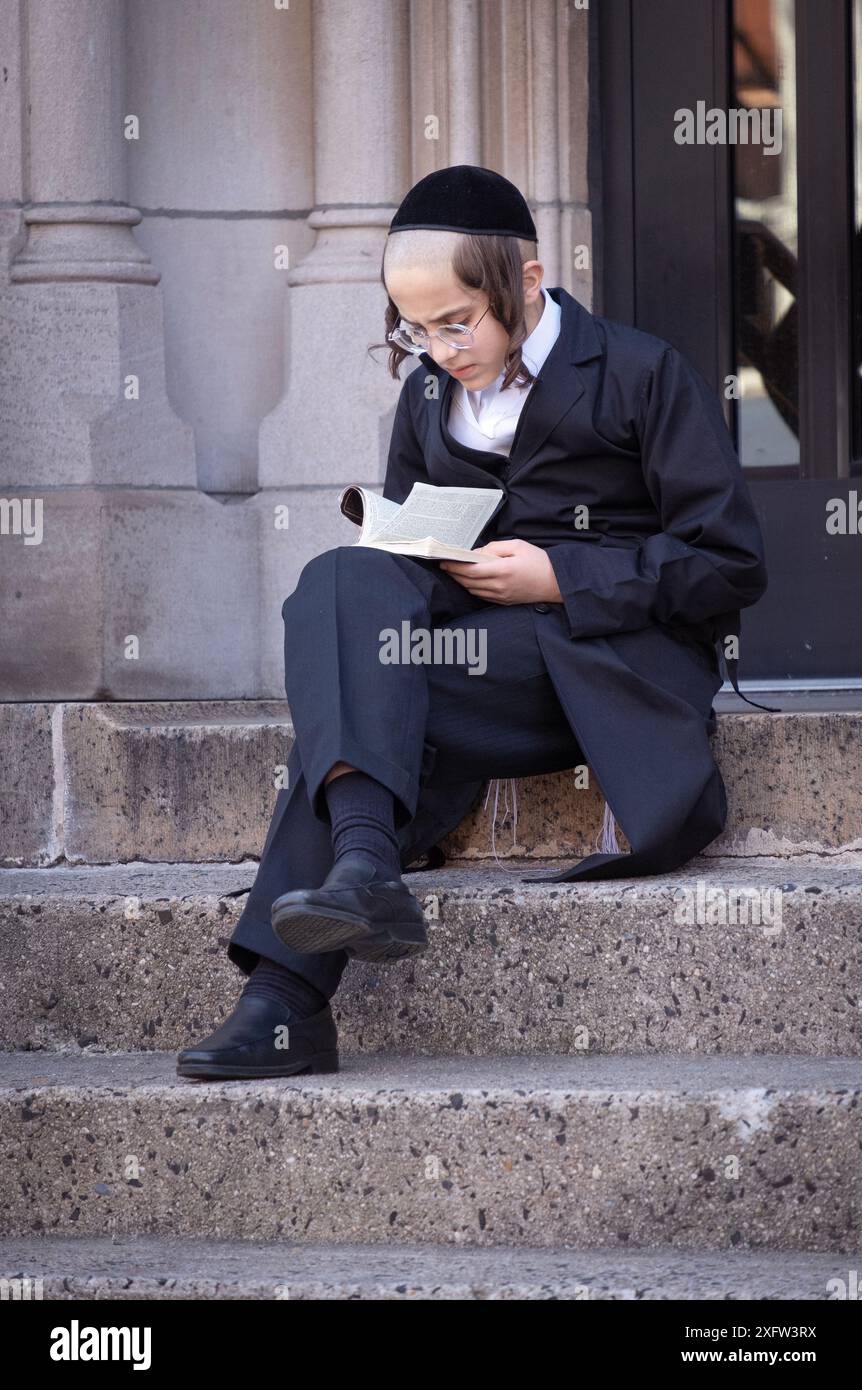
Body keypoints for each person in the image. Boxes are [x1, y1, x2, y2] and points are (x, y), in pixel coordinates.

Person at [176, 165, 770, 1083]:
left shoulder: (644, 373)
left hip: (604, 668)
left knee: (348, 708)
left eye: (456, 322)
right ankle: (361, 875)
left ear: (526, 283)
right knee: (341, 583)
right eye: (414, 327)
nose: (437, 348)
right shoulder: (426, 395)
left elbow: (729, 563)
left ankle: (288, 998)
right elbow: (409, 553)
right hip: (473, 660)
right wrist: (410, 544)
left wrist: (559, 574)